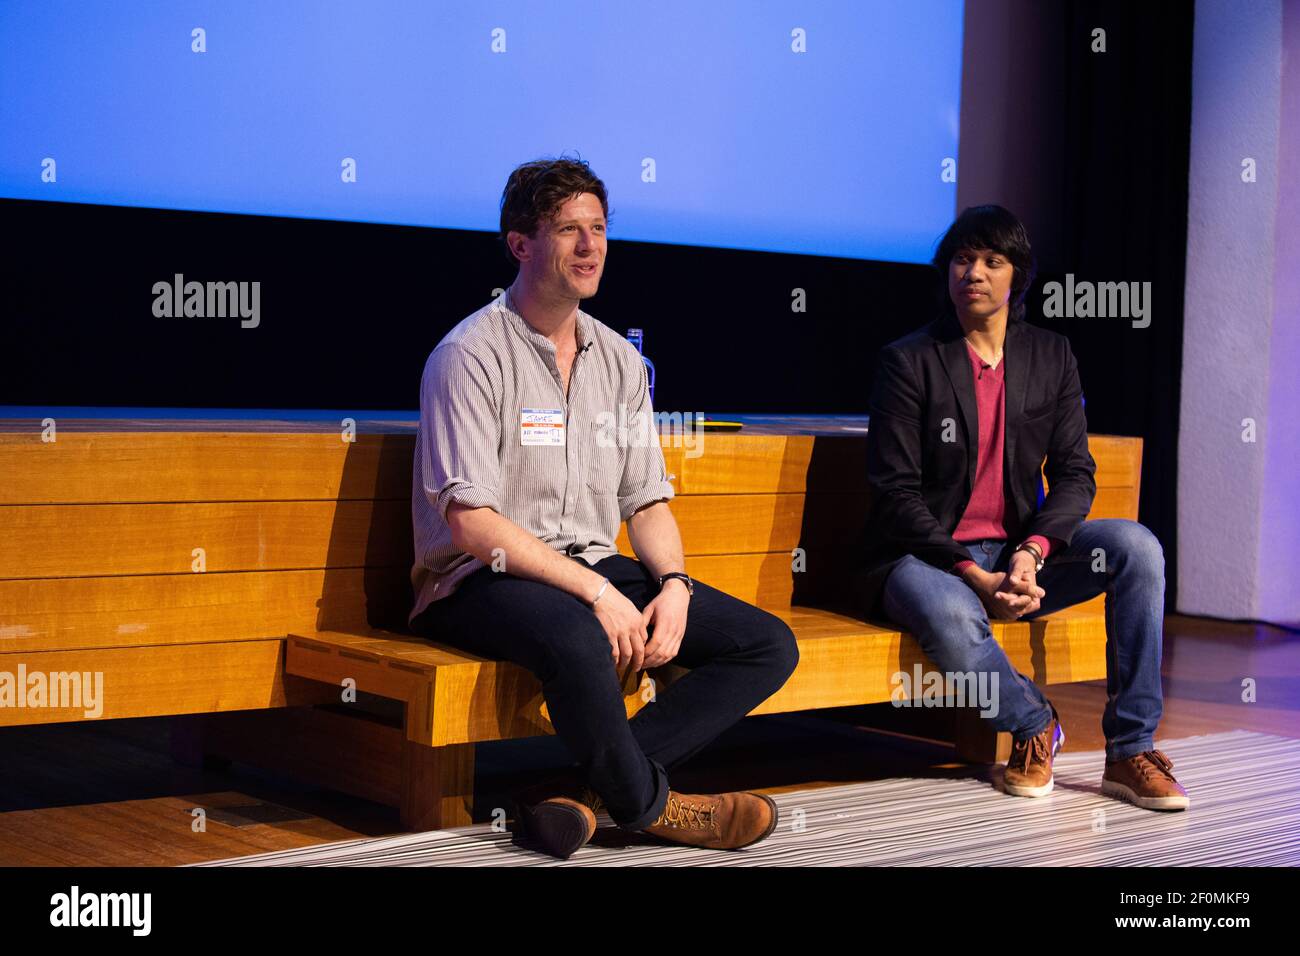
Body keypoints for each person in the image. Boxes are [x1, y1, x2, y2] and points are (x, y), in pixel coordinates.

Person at [409, 157, 799, 858]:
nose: (590, 246)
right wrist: (595, 592)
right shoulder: (469, 354)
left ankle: (584, 794)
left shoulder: (620, 360)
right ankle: (660, 809)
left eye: (598, 228)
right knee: (581, 635)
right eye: (568, 230)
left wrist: (674, 585)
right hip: (479, 580)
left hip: (588, 568)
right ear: (520, 245)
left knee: (765, 643)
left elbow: (646, 501)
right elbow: (471, 522)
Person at [853, 204, 1189, 811]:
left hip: (1017, 554)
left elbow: (1074, 474)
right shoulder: (909, 361)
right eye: (961, 259)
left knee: (1137, 547)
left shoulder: (1051, 356)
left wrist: (1033, 553)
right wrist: (975, 574)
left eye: (991, 260)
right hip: (926, 559)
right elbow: (896, 496)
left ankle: (1130, 748)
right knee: (954, 617)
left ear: (1019, 278)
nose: (973, 272)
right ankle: (1034, 726)